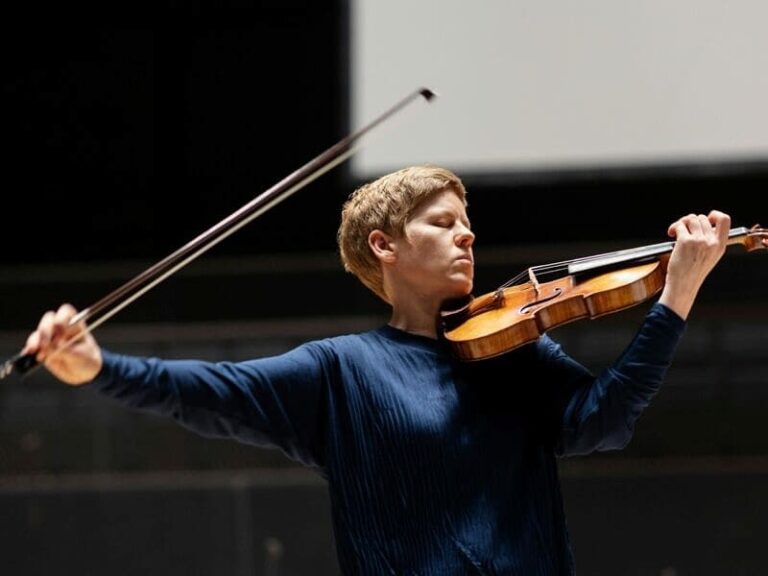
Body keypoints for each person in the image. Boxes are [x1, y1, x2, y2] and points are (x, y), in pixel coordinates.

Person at [24, 165, 733, 575]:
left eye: (468, 222)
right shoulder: (340, 372)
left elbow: (603, 425)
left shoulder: (516, 353)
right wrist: (100, 367)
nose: (468, 233)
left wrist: (675, 296)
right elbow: (209, 393)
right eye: (442, 221)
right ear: (383, 245)